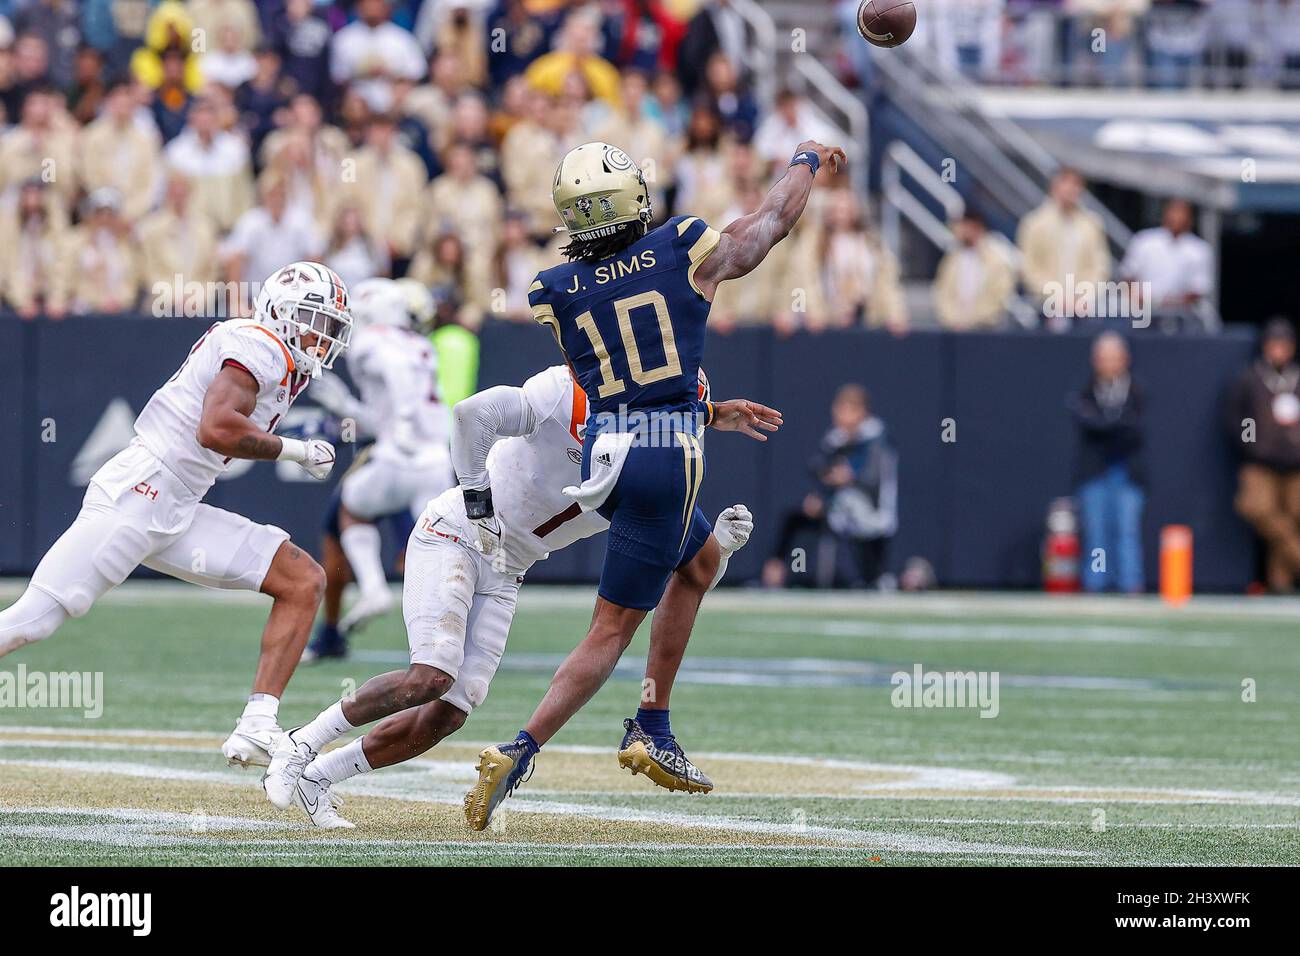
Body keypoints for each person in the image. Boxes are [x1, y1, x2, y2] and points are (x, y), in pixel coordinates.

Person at [462, 137, 843, 830]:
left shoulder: (555, 291)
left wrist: (710, 409)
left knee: (698, 562)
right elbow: (768, 226)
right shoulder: (682, 245)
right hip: (667, 455)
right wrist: (805, 161)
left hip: (606, 455)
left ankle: (654, 723)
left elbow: (622, 365)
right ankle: (526, 746)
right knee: (610, 630)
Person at [262, 365, 764, 827]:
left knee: (449, 712)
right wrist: (479, 499)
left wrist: (719, 549)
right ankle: (299, 744)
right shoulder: (568, 392)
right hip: (459, 532)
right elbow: (472, 415)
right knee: (431, 675)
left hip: (509, 569)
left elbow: (685, 575)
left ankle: (319, 777)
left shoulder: (658, 466)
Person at [0, 261, 352, 767]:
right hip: (141, 492)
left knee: (301, 580)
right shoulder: (262, 346)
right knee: (31, 621)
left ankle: (256, 725)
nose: (323, 337)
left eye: (331, 328)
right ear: (280, 311)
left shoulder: (274, 356)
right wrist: (295, 451)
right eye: (315, 322)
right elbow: (217, 429)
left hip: (178, 505)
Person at [306, 278, 453, 644]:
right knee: (436, 556)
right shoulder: (421, 343)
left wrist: (402, 421)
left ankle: (373, 588)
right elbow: (381, 416)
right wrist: (343, 405)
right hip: (437, 462)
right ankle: (447, 638)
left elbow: (394, 372)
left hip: (397, 459)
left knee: (352, 506)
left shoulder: (374, 341)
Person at [762, 384, 898, 589]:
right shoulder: (836, 439)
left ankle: (876, 578)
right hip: (839, 508)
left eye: (848, 409)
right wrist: (823, 495)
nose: (841, 415)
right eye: (839, 408)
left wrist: (848, 478)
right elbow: (818, 468)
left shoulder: (877, 440)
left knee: (850, 507)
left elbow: (872, 481)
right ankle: (778, 573)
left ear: (862, 411)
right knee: (795, 517)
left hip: (871, 512)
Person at [1068, 332, 1146, 593]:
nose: (1109, 364)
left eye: (1114, 358)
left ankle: (1130, 585)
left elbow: (1133, 428)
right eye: (1104, 358)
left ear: (1125, 359)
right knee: (1096, 531)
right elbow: (1090, 422)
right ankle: (1096, 585)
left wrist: (1106, 423)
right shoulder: (1085, 391)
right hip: (1095, 472)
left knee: (1126, 530)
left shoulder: (1136, 391)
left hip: (1126, 470)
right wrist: (1113, 423)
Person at [1226, 318, 1300, 593]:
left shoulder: (1296, 379)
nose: (1279, 350)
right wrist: (1253, 445)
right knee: (1259, 509)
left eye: (1284, 345)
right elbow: (1240, 419)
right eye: (1274, 344)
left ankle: (1280, 582)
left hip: (1295, 464)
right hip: (1261, 464)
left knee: (1294, 514)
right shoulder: (1251, 379)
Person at [1016, 167, 1110, 324]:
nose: (1071, 190)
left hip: (1083, 309)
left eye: (1076, 185)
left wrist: (1083, 295)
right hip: (1043, 306)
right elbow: (1027, 267)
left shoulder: (1092, 223)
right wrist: (1056, 296)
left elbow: (1100, 266)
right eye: (1066, 184)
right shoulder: (1033, 223)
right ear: (1054, 187)